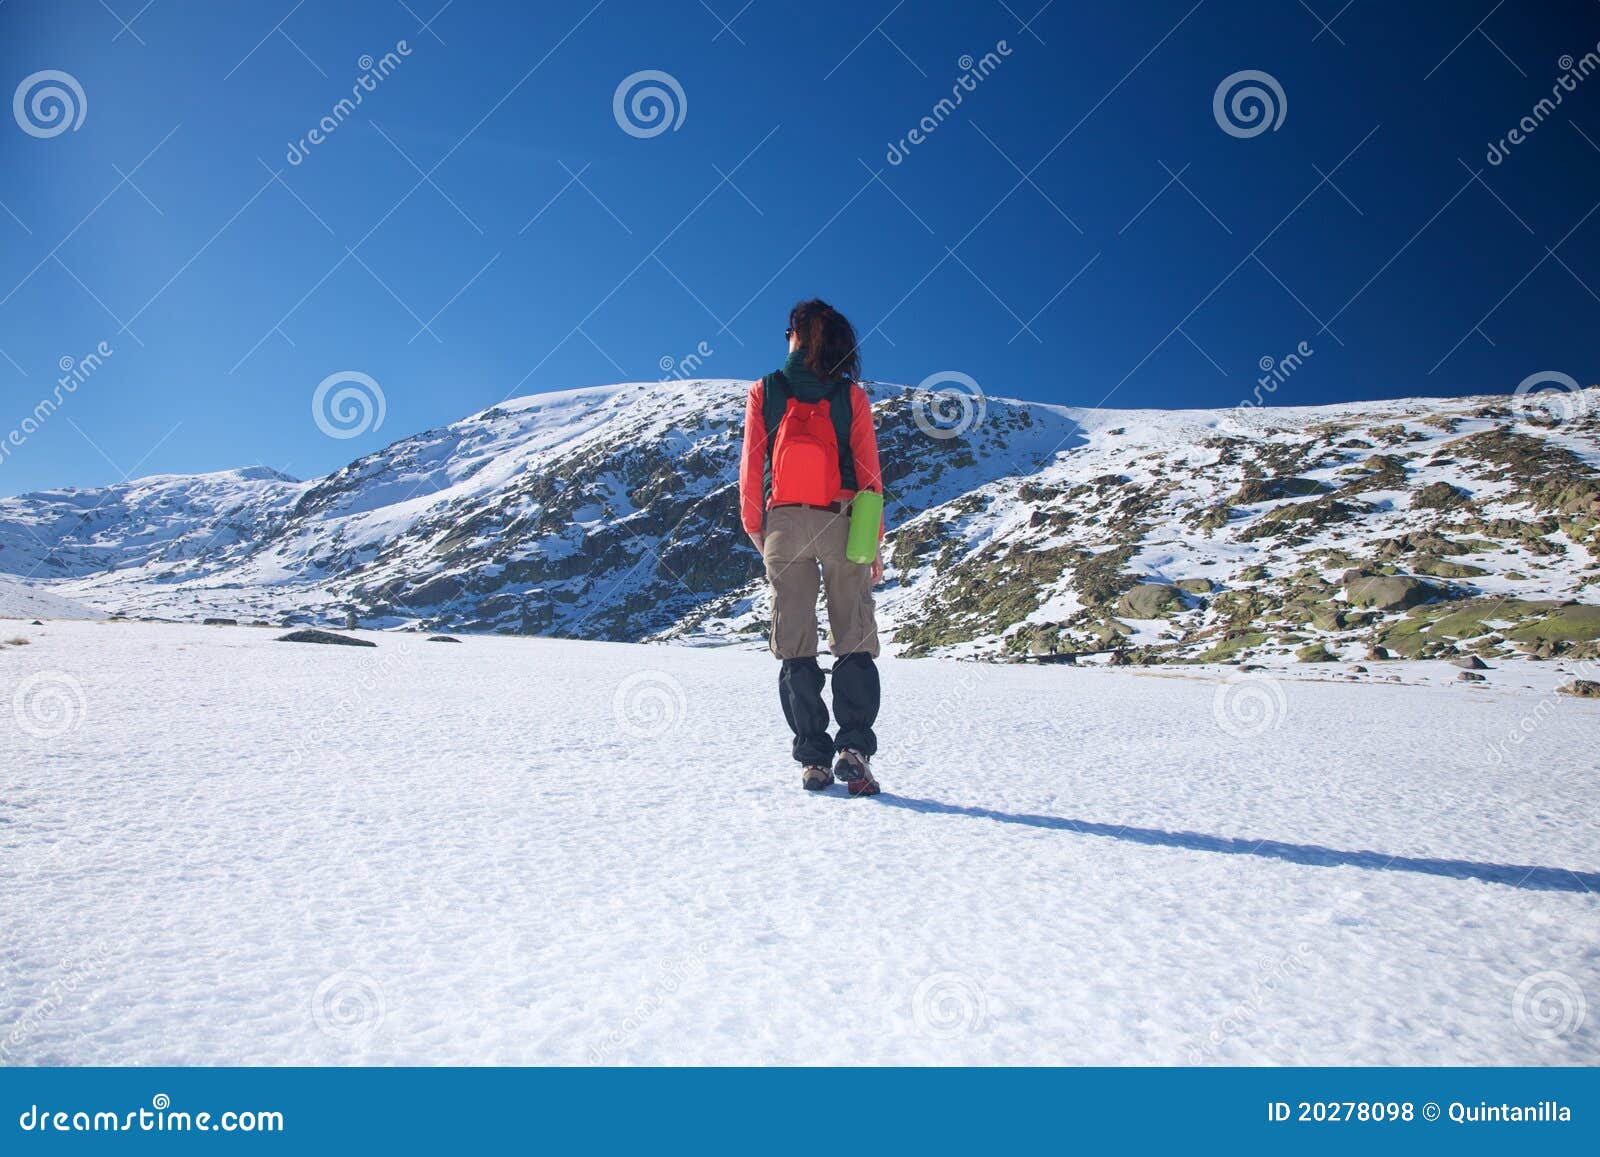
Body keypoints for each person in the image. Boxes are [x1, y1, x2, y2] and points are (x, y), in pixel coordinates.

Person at [738, 299, 885, 797]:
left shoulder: (766, 390)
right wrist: (875, 543)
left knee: (795, 644)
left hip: (783, 522)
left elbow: (750, 470)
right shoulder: (850, 396)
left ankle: (813, 761)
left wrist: (759, 530)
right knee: (853, 635)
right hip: (842, 521)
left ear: (797, 336)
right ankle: (853, 750)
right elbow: (869, 475)